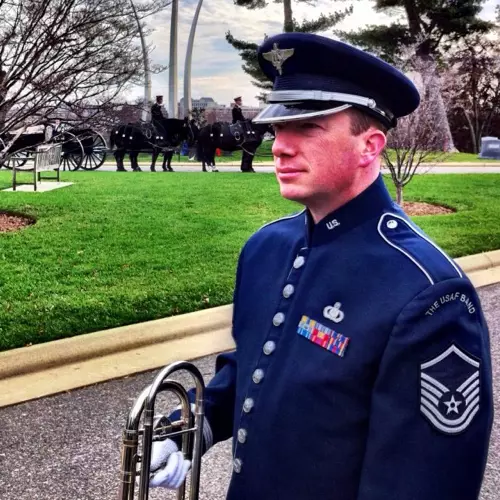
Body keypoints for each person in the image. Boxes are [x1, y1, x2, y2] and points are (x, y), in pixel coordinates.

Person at [148, 33, 493, 499]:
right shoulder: (265, 248)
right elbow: (255, 364)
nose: (279, 147)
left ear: (369, 146)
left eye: (307, 128)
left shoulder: (428, 294)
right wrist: (191, 427)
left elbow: (424, 482)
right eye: (277, 128)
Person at [232, 96, 254, 173]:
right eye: (239, 101)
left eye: (240, 101)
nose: (240, 102)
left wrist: (245, 120)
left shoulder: (238, 108)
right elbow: (237, 117)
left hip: (240, 122)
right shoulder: (235, 108)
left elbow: (241, 117)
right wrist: (244, 121)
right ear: (237, 101)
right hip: (236, 123)